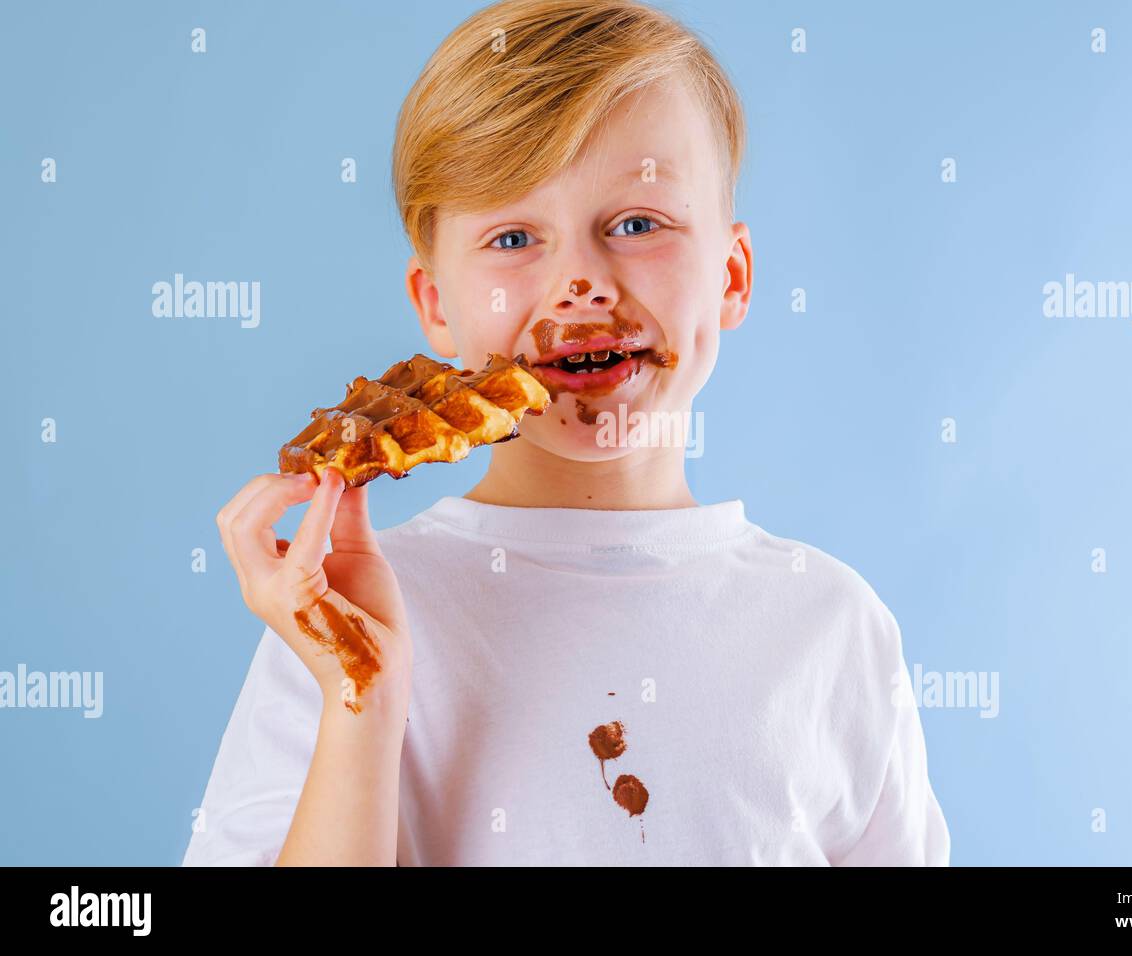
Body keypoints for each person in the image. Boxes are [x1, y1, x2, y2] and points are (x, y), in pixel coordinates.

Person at [184, 0, 949, 866]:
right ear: (436, 303)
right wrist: (363, 699)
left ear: (732, 274)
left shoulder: (832, 625)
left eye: (636, 225)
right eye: (513, 237)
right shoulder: (345, 619)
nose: (581, 285)